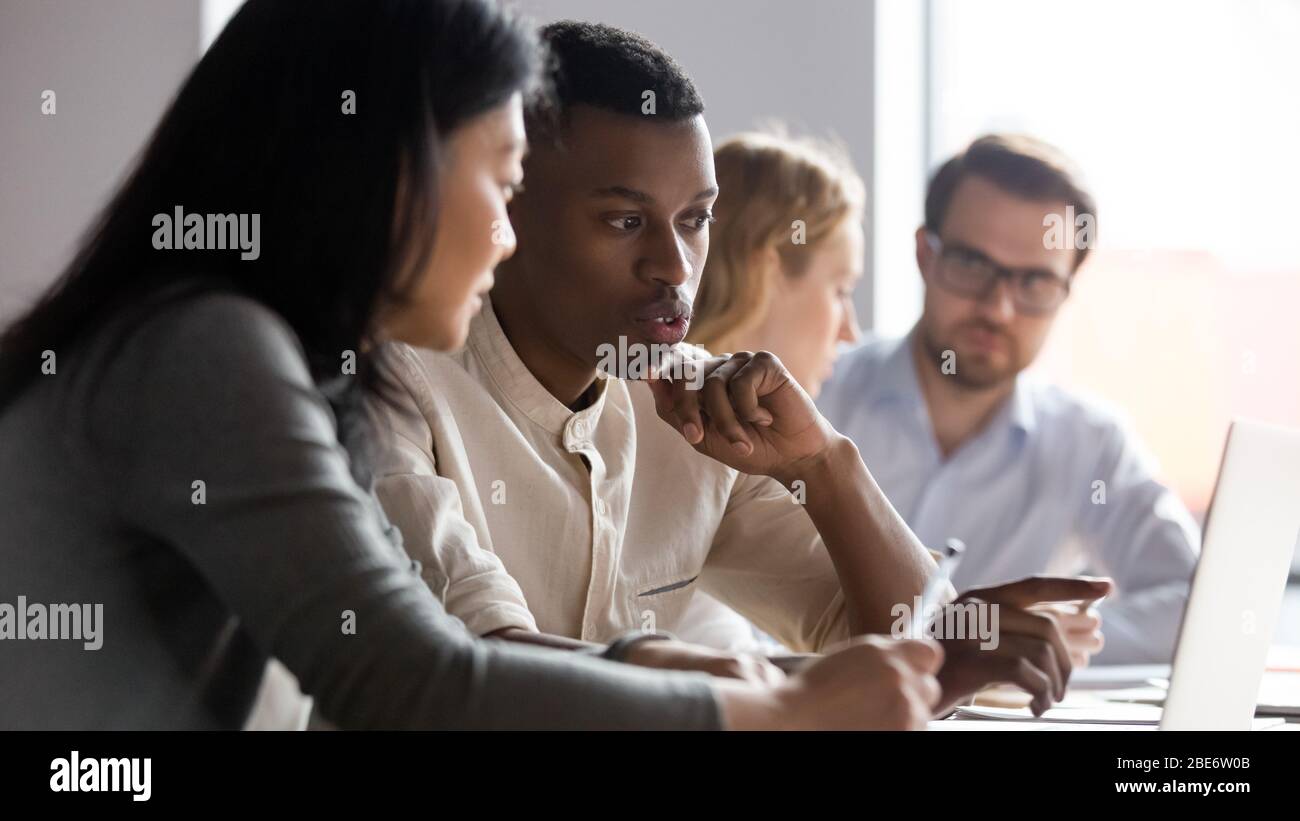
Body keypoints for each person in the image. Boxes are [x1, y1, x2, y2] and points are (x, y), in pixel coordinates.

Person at [0, 0, 947, 731]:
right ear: (391, 170)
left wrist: (825, 474)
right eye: (498, 178)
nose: (501, 232)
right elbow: (410, 680)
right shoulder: (207, 352)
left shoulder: (258, 354)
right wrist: (768, 711)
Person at [374, 21, 1110, 717]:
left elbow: (914, 659)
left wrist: (825, 463)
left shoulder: (697, 404)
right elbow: (476, 663)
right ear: (510, 210)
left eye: (695, 219)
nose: (673, 266)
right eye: (626, 221)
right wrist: (779, 688)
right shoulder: (393, 385)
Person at [817, 134, 1199, 664]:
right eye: (974, 265)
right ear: (926, 255)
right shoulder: (819, 395)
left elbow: (1195, 606)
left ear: (1065, 290)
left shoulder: (1090, 443)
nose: (998, 309)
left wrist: (1037, 636)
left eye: (1035, 283)